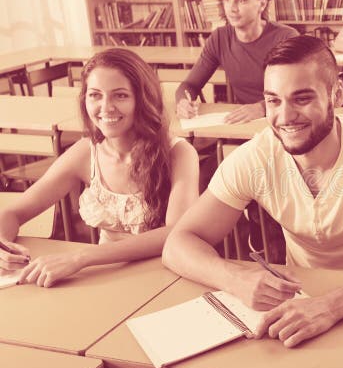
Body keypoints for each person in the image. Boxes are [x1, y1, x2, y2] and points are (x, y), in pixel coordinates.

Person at [162, 35, 343, 348]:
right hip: (300, 305)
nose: (284, 117)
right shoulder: (256, 156)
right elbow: (177, 244)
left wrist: (330, 306)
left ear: (336, 94)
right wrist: (234, 278)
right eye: (273, 100)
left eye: (301, 99)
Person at [0, 48, 199, 287]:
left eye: (120, 96)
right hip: (104, 277)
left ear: (142, 99)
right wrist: (2, 243)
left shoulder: (179, 153)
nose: (106, 107)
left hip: (166, 274)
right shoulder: (85, 153)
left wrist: (80, 258)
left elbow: (176, 231)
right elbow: (12, 213)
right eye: (95, 95)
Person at [175, 0, 298, 124]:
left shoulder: (286, 37)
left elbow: (296, 92)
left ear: (262, 3)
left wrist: (261, 108)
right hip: (245, 123)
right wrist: (183, 102)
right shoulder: (219, 37)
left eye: (241, 0)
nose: (231, 8)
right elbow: (190, 85)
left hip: (284, 120)